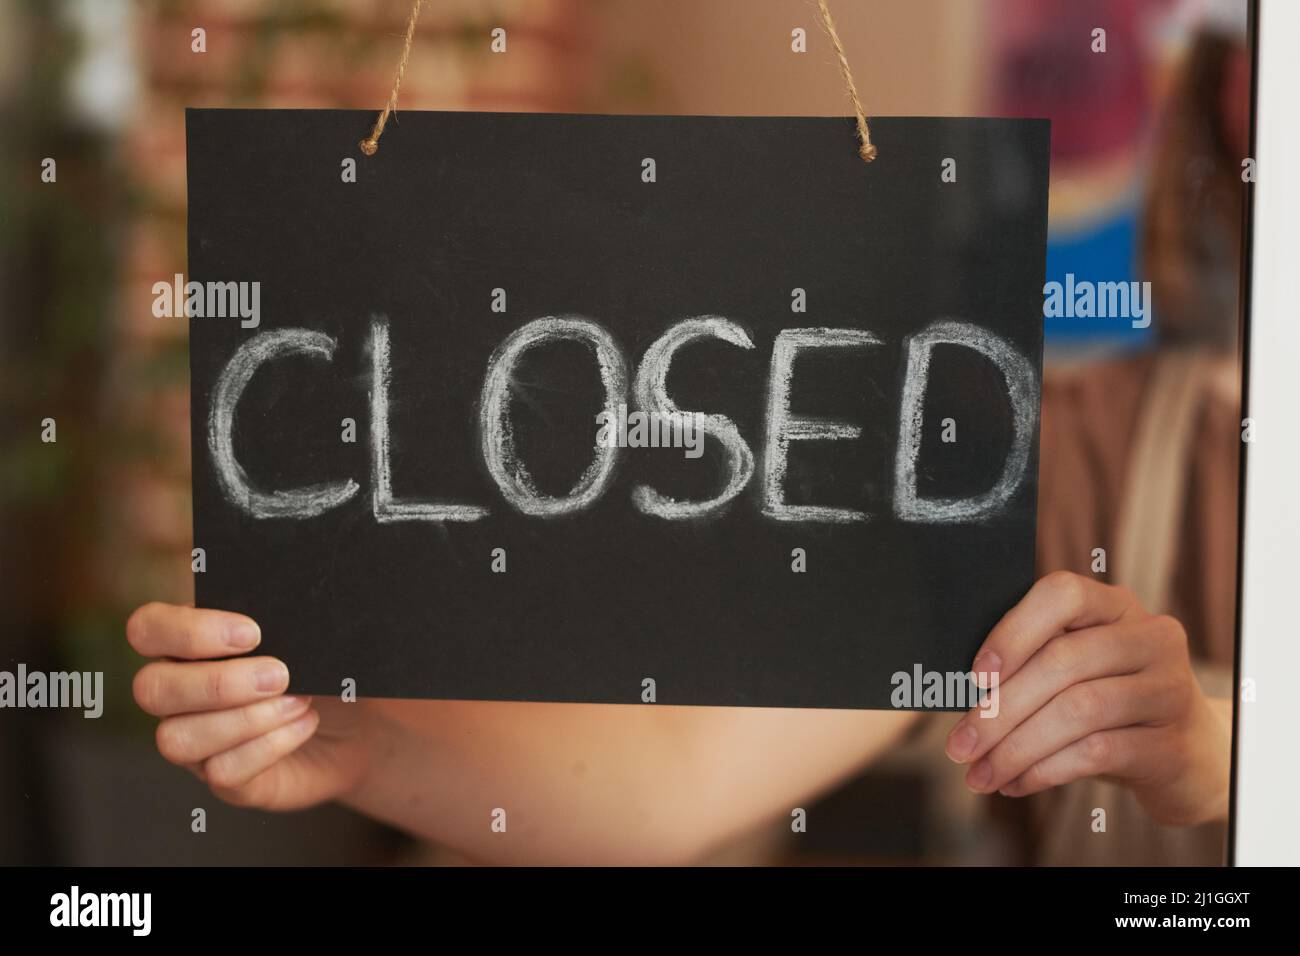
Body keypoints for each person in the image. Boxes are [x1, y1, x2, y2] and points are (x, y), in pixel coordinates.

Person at [123, 25, 1243, 866]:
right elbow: (683, 775)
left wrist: (1214, 754)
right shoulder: (1042, 442)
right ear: (1229, 84)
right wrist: (360, 747)